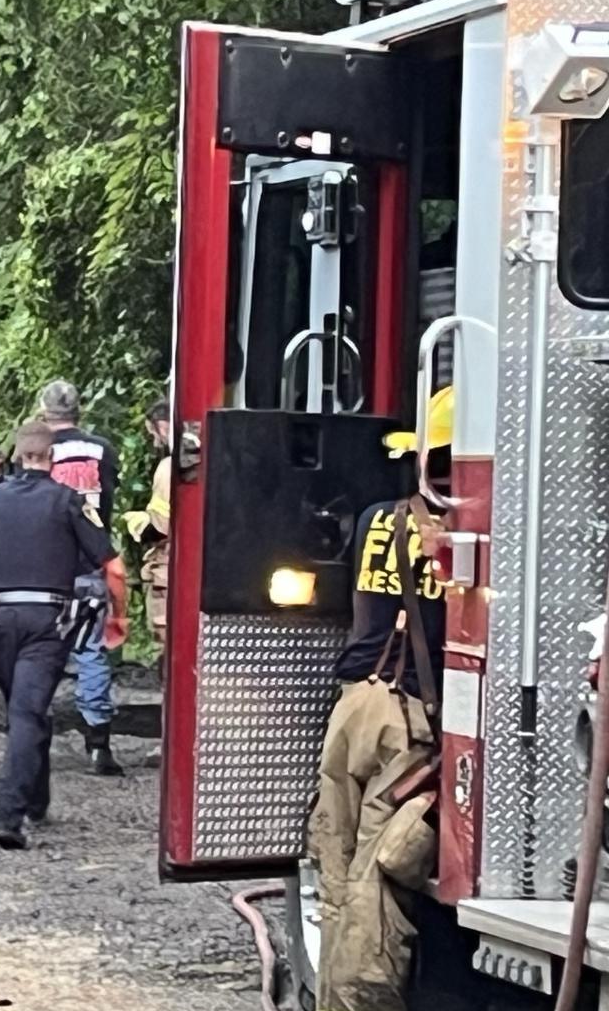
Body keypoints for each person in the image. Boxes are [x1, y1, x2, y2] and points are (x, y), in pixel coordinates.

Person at [307, 388, 452, 1011]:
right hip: (406, 724)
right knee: (377, 884)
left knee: (337, 875)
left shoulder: (377, 517)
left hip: (353, 705)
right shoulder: (461, 536)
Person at [0, 421, 127, 848]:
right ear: (52, 459)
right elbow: (114, 567)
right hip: (46, 624)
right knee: (27, 714)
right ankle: (7, 815)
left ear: (16, 456)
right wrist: (117, 619)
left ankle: (36, 800)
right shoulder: (66, 502)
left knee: (26, 709)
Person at [36, 379, 124, 774]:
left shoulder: (36, 448)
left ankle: (33, 738)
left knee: (41, 653)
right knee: (91, 651)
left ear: (44, 410)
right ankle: (98, 743)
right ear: (79, 409)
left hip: (45, 567)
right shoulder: (101, 449)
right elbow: (108, 498)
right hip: (90, 562)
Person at [121, 399, 172, 653]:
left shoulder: (168, 468)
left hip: (168, 566)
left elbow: (162, 526)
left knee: (167, 639)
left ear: (163, 427)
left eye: (154, 434)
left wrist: (140, 524)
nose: (155, 443)